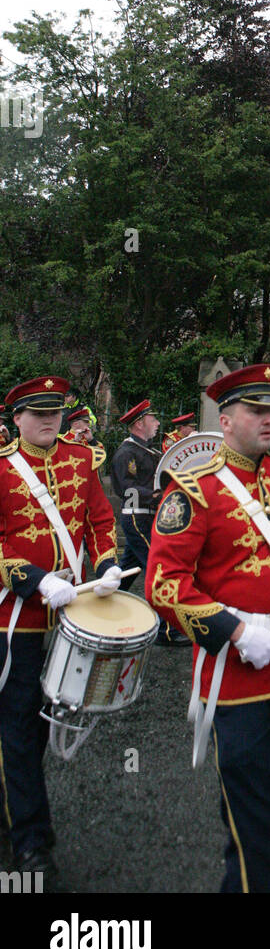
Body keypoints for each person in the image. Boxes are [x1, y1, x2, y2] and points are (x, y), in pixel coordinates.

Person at [145, 363, 270, 894]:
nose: (268, 420)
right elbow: (164, 586)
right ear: (227, 418)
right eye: (256, 411)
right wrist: (236, 632)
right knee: (252, 811)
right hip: (237, 675)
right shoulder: (192, 490)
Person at [0, 375, 121, 884]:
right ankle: (30, 839)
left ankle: (15, 801)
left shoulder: (80, 459)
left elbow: (99, 519)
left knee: (54, 718)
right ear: (16, 420)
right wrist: (33, 580)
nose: (49, 419)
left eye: (55, 411)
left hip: (73, 615)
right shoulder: (3, 468)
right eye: (38, 413)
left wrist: (109, 564)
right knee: (21, 729)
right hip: (18, 620)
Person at [111, 400, 182, 646]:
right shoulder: (127, 452)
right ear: (140, 423)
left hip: (145, 516)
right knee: (158, 567)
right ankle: (167, 630)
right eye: (153, 419)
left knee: (127, 570)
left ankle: (105, 607)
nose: (158, 423)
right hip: (137, 515)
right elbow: (124, 488)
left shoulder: (147, 450)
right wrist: (154, 493)